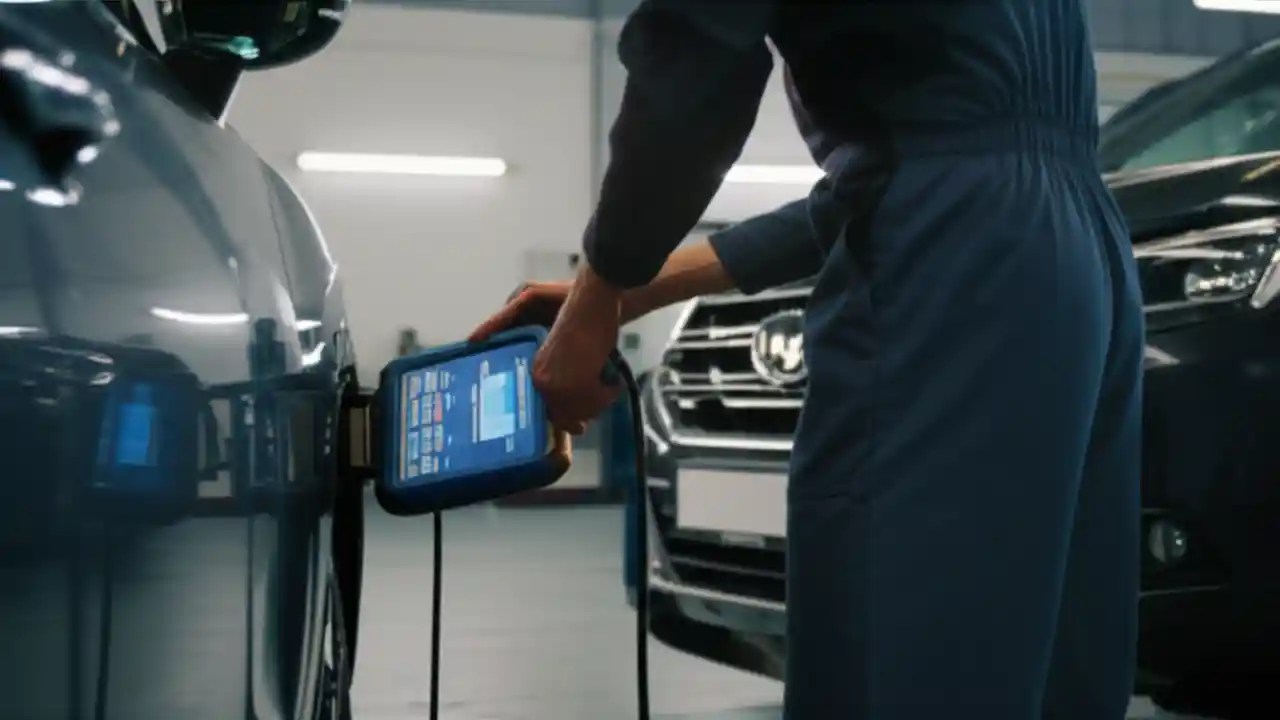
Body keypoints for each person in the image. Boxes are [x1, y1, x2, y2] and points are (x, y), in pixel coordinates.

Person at [471, 1, 1143, 717]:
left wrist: (602, 285)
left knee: (898, 660)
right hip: (1081, 252)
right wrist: (622, 292)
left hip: (958, 266)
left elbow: (694, 57)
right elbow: (901, 174)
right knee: (1045, 658)